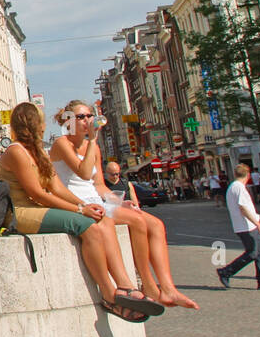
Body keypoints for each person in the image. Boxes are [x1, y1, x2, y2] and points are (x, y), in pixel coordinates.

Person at [0, 102, 162, 323]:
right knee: (87, 227)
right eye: (42, 122)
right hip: (21, 212)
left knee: (102, 220)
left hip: (37, 208)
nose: (45, 126)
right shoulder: (16, 151)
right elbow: (37, 194)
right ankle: (108, 294)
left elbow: (57, 188)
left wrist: (85, 205)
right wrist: (80, 209)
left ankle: (125, 285)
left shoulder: (38, 152)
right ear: (34, 124)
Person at [50, 101, 197, 310]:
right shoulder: (61, 143)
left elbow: (98, 184)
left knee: (156, 225)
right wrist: (91, 140)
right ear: (68, 121)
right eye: (80, 117)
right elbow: (83, 172)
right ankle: (149, 286)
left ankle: (168, 288)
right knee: (137, 221)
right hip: (77, 202)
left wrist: (119, 201)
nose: (87, 120)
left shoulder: (94, 147)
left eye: (89, 116)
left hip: (97, 200)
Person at [216, 164, 260, 290]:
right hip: (247, 226)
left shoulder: (233, 187)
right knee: (252, 253)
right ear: (248, 175)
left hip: (245, 225)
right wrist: (258, 224)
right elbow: (243, 208)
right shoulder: (239, 188)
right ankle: (226, 271)